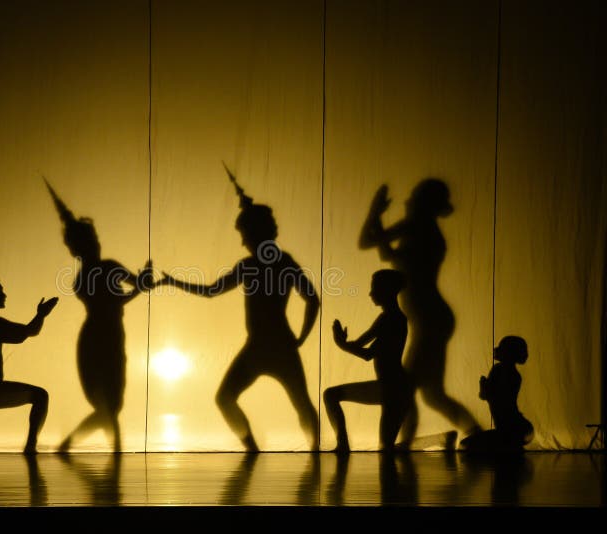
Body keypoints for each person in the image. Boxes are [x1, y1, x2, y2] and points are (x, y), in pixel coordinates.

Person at [157, 164, 320, 452]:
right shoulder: (273, 262)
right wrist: (174, 282)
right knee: (290, 402)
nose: (242, 240)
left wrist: (303, 337)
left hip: (271, 346)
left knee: (295, 402)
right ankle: (266, 450)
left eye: (243, 233)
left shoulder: (265, 264)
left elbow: (211, 291)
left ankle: (277, 450)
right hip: (268, 345)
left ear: (254, 232)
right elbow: (211, 291)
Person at [359, 180, 480, 448]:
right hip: (430, 318)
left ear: (422, 203)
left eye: (412, 197)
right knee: (430, 393)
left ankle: (406, 442)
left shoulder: (418, 227)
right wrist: (376, 216)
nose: (407, 201)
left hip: (430, 319)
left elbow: (371, 243)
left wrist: (375, 213)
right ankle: (466, 434)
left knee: (410, 388)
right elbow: (384, 251)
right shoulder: (418, 229)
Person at [46, 180, 153, 453]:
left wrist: (143, 281)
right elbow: (122, 297)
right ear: (80, 248)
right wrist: (141, 284)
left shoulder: (87, 277)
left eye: (96, 238)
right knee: (110, 404)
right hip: (102, 337)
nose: (97, 243)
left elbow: (135, 287)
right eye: (92, 240)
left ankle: (76, 447)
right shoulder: (100, 271)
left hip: (104, 336)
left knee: (110, 405)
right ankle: (94, 451)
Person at [323, 269, 415, 452]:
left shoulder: (393, 319)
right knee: (386, 447)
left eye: (375, 288)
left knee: (330, 395)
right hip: (393, 388)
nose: (371, 293)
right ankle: (443, 439)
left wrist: (341, 343)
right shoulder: (387, 318)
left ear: (387, 290)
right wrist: (344, 342)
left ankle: (343, 444)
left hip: (392, 388)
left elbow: (367, 354)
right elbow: (359, 344)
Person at [0, 276, 58, 454]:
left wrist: (41, 315)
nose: (4, 294)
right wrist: (41, 314)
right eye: (0, 291)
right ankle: (31, 446)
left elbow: (26, 333)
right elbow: (28, 332)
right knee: (40, 396)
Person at [460, 335, 534, 452]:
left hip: (513, 429)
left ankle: (509, 448)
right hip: (520, 429)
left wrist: (484, 386)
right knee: (470, 445)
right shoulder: (510, 374)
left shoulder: (501, 371)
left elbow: (491, 397)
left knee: (468, 445)